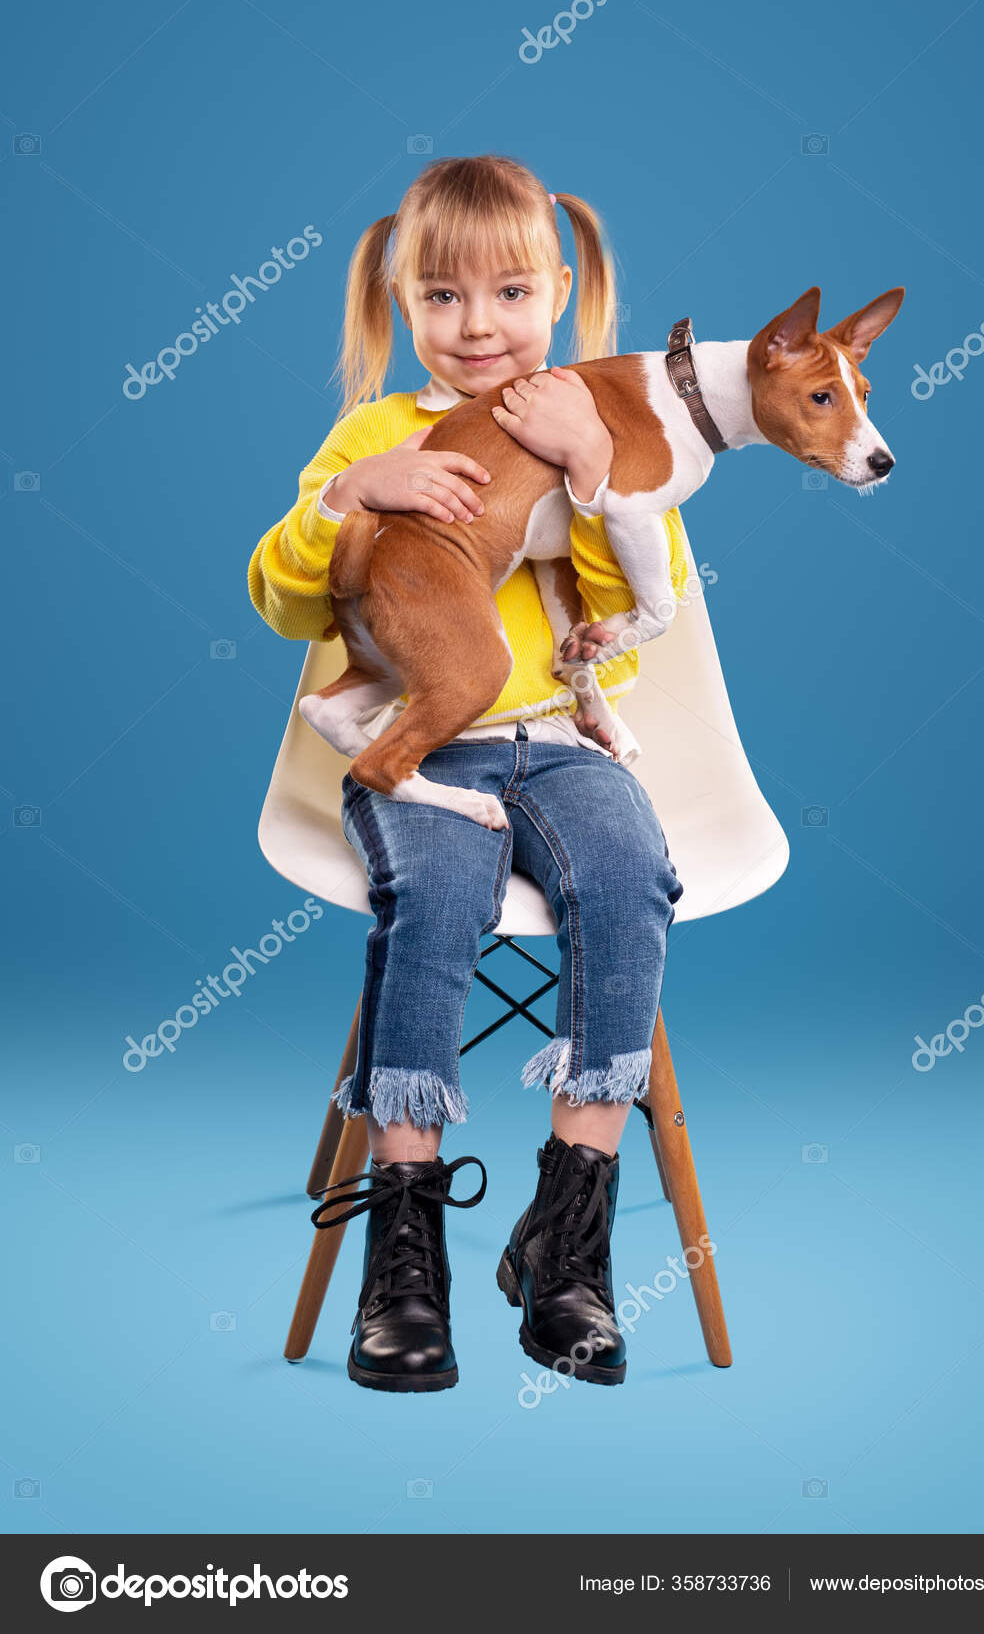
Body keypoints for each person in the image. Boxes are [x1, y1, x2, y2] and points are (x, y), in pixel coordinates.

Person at [248, 154, 686, 1393]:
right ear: (399, 305)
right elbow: (280, 600)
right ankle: (406, 1237)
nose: (476, 326)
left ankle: (568, 1233)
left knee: (622, 876)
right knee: (436, 896)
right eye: (440, 299)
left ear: (558, 289)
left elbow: (645, 602)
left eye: (505, 294)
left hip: (558, 737)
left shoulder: (600, 417)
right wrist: (349, 497)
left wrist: (587, 464)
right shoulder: (377, 431)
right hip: (425, 749)